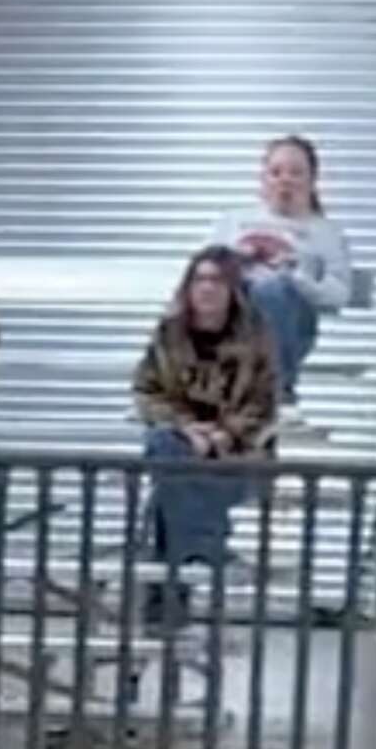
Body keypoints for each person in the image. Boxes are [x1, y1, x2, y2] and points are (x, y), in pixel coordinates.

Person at [131, 245, 279, 629]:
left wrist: (221, 435)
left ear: (233, 289)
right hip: (181, 450)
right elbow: (147, 392)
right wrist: (187, 428)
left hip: (236, 459)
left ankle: (166, 601)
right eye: (199, 279)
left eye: (216, 280)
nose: (207, 288)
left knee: (166, 500)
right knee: (164, 449)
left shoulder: (258, 338)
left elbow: (263, 404)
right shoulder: (169, 335)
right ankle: (204, 548)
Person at [205, 135, 353, 409]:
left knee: (275, 288)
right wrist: (234, 264)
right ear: (263, 179)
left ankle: (273, 392)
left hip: (290, 327)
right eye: (276, 172)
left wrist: (299, 276)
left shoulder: (325, 232)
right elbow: (203, 276)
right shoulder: (233, 221)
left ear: (312, 180)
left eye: (296, 173)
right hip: (233, 323)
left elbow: (339, 294)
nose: (285, 180)